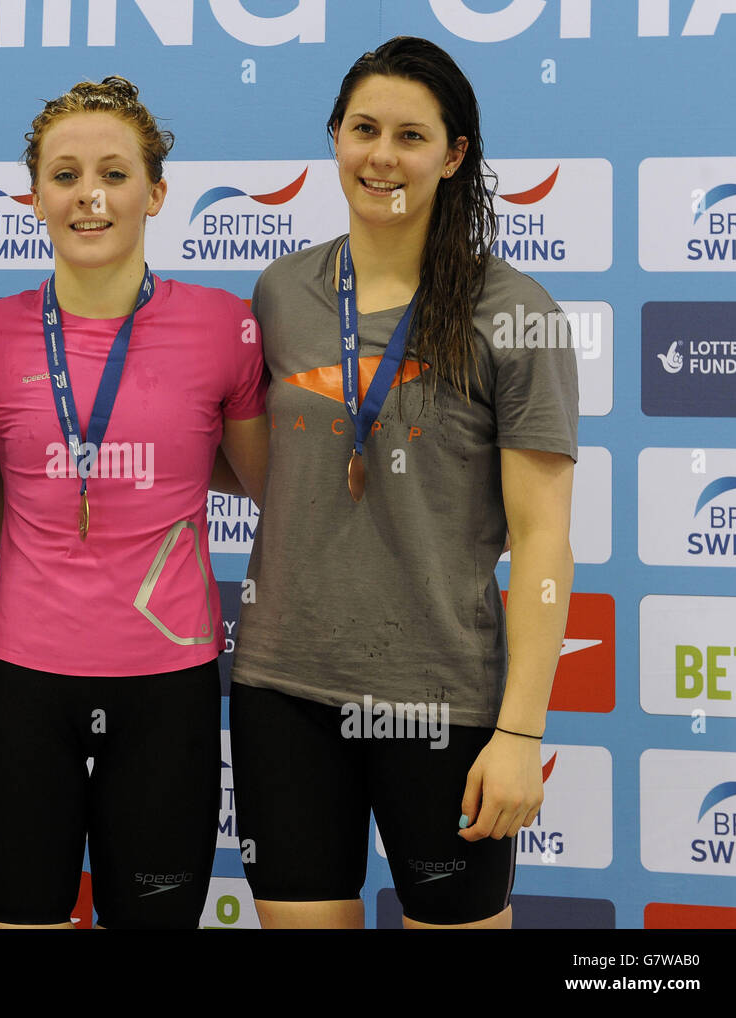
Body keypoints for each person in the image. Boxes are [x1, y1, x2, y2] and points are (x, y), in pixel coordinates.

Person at [228, 36, 578, 929]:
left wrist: (521, 731)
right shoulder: (279, 293)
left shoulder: (516, 312)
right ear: (336, 138)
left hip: (444, 699)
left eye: (411, 136)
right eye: (363, 129)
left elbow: (542, 540)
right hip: (283, 690)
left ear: (454, 155)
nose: (382, 155)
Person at [0, 76, 269, 929]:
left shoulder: (223, 326)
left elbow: (273, 486)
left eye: (116, 174)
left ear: (157, 193)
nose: (90, 195)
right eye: (66, 174)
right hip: (24, 680)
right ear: (34, 195)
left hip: (170, 686)